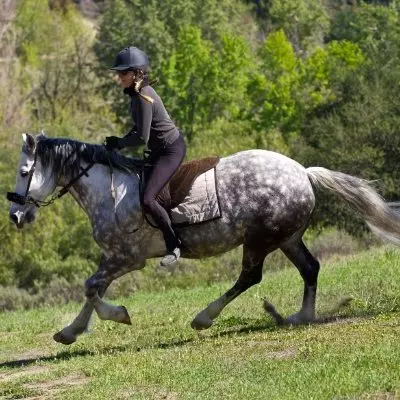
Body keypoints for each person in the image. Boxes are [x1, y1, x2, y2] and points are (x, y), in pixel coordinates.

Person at [105, 46, 186, 266]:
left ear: (136, 73)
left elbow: (142, 136)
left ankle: (174, 244)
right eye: (119, 73)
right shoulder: (137, 94)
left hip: (171, 150)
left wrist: (120, 143)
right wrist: (119, 142)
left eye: (123, 73)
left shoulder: (143, 96)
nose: (119, 77)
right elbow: (139, 128)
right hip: (159, 151)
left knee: (148, 199)